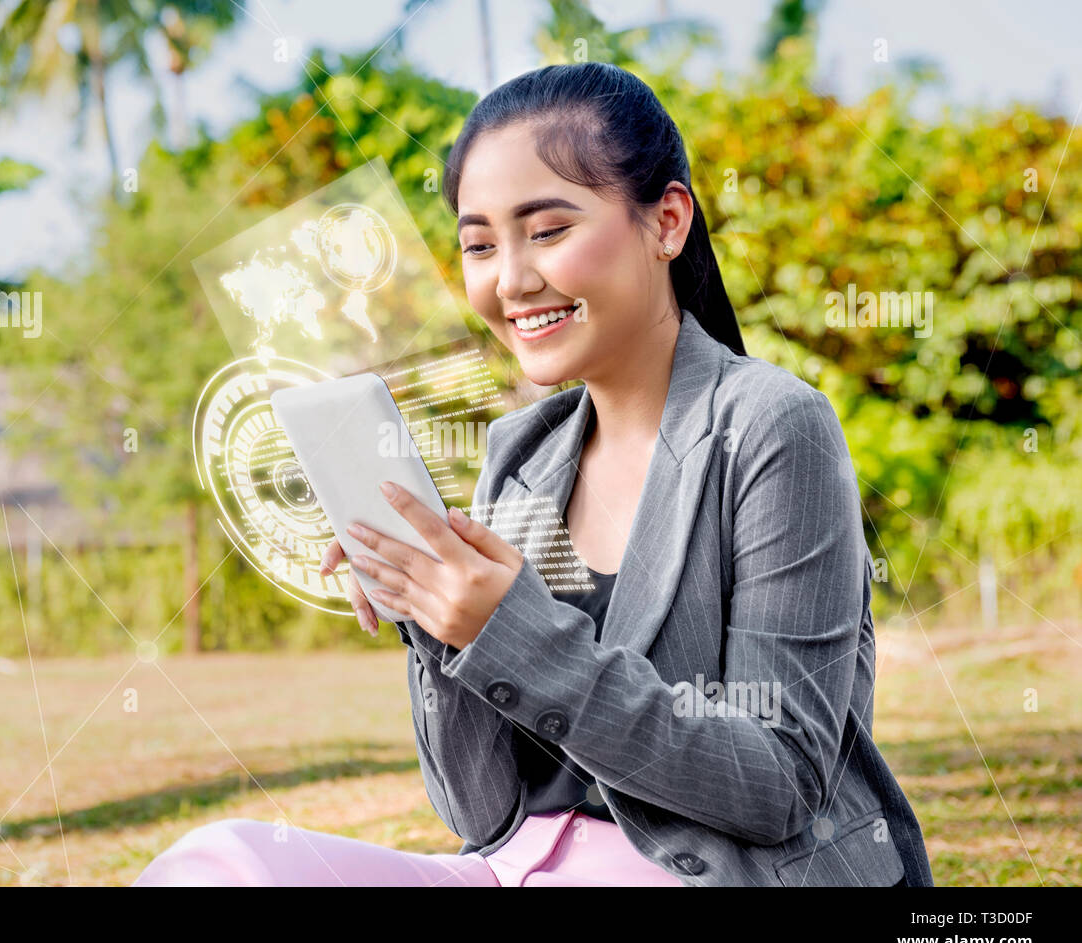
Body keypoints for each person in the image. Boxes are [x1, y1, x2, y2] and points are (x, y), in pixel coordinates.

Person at [133, 62, 933, 887]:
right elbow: (484, 814)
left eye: (547, 231)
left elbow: (778, 782)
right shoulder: (523, 458)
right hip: (521, 869)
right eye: (479, 244)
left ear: (666, 221)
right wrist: (434, 620)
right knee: (223, 864)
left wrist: (505, 629)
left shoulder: (767, 425)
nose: (509, 280)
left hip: (711, 875)